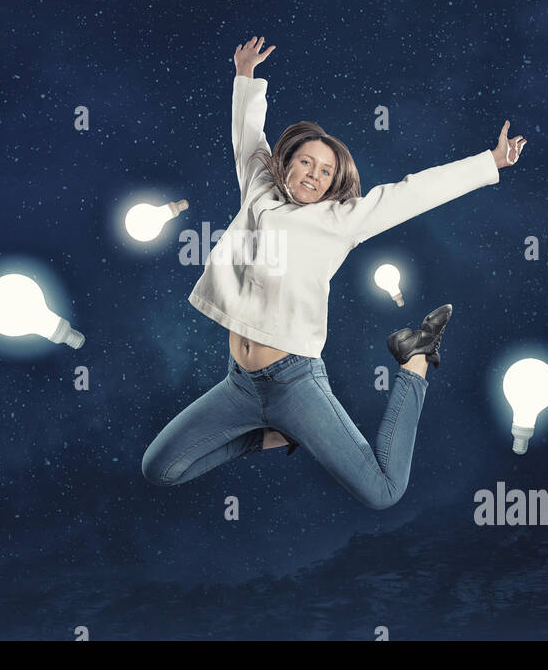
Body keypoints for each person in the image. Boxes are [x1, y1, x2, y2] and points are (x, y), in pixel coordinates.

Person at [141, 36, 524, 509]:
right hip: (239, 382)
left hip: (293, 382)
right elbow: (247, 136)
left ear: (333, 183)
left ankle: (418, 359)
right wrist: (245, 75)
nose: (314, 174)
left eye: (325, 171)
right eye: (306, 161)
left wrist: (490, 162)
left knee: (383, 491)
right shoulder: (259, 189)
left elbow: (412, 192)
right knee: (160, 468)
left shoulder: (340, 221)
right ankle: (276, 435)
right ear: (287, 163)